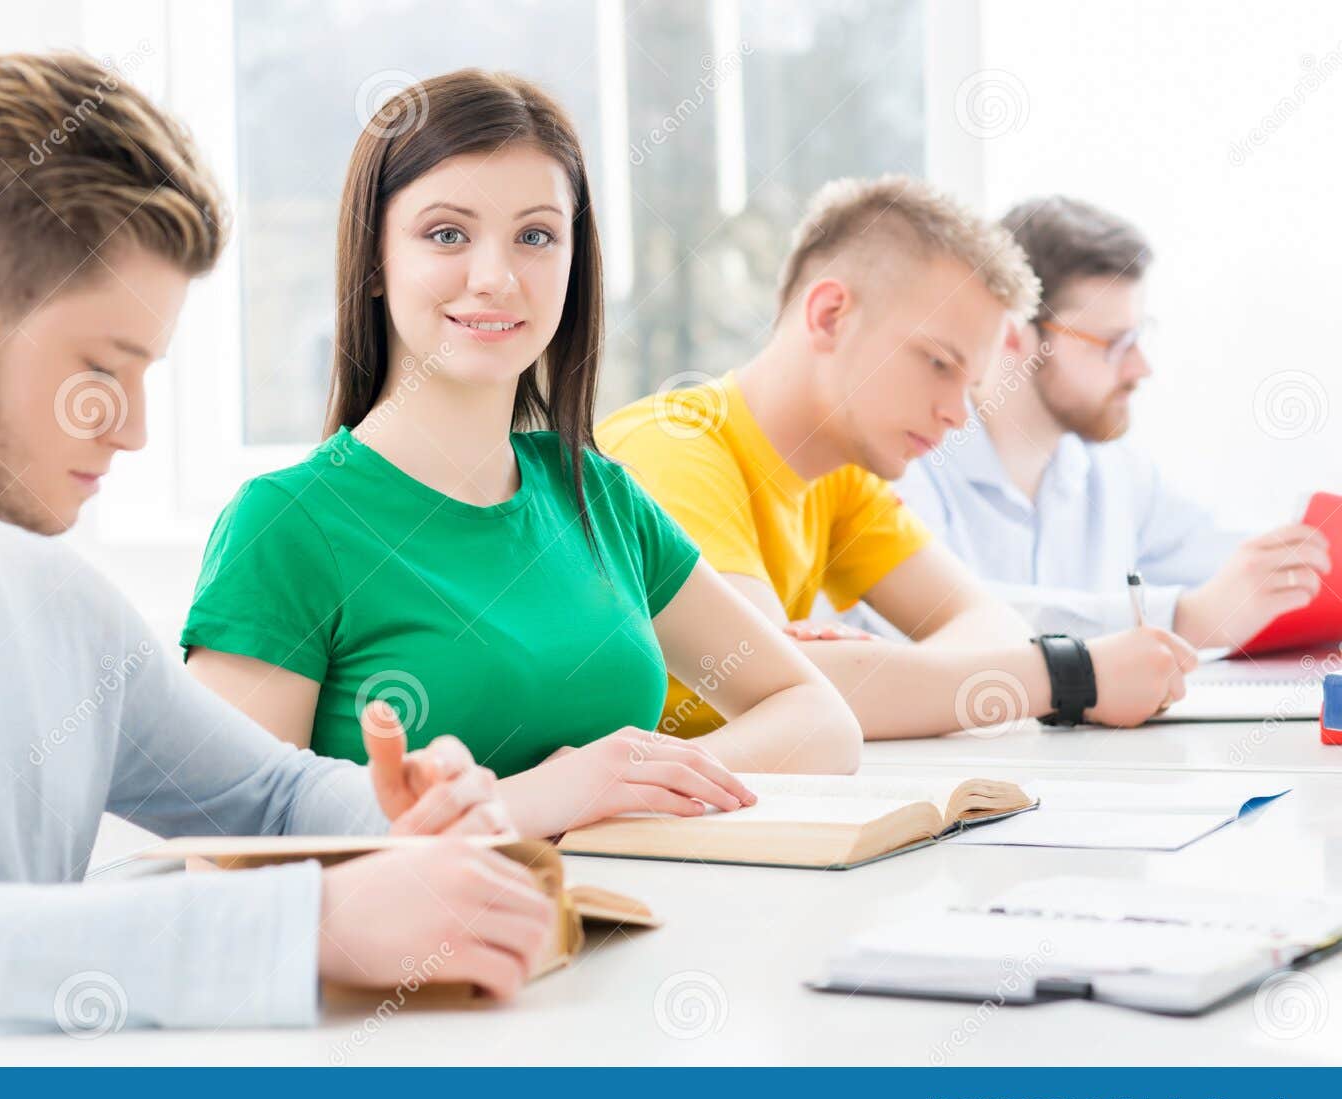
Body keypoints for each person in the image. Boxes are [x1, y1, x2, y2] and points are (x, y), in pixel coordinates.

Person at [0, 53, 555, 1067]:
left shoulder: (58, 601)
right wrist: (307, 925)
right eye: (100, 368)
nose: (128, 431)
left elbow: (270, 798)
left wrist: (408, 806)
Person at [183, 69, 862, 840]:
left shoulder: (595, 493)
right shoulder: (286, 525)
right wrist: (549, 797)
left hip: (647, 932)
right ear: (375, 261)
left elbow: (819, 719)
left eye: (536, 236)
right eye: (447, 234)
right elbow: (228, 852)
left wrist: (639, 782)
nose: (495, 278)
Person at [597, 176, 1197, 741]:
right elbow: (783, 697)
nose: (959, 414)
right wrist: (1072, 677)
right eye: (939, 363)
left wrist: (870, 676)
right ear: (830, 316)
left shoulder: (839, 479)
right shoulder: (673, 445)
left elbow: (993, 625)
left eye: (971, 384)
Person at [893, 194, 1329, 647]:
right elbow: (947, 617)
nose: (1141, 368)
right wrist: (1181, 618)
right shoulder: (908, 462)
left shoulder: (1118, 475)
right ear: (1014, 336)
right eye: (1115, 343)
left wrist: (1304, 562)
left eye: (1139, 337)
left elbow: (1227, 558)